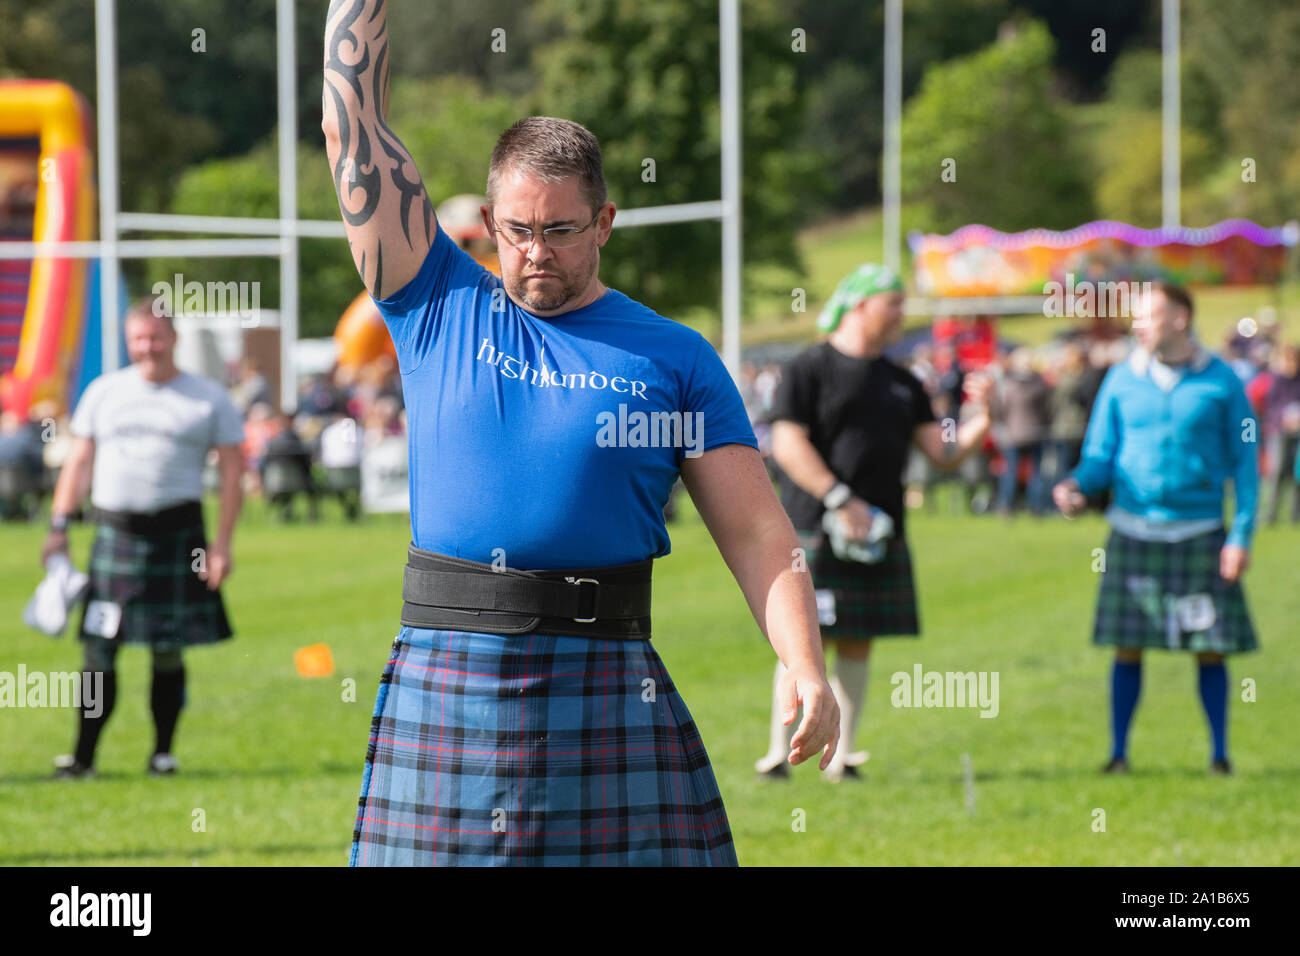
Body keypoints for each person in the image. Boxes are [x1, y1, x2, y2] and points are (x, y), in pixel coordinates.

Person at [323, 0, 838, 866]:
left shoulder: (674, 358)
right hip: (449, 671)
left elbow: (755, 528)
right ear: (489, 226)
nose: (535, 252)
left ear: (603, 224)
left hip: (605, 678)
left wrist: (803, 661)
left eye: (560, 231)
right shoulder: (433, 299)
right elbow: (353, 132)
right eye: (517, 231)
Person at [757, 264, 992, 781]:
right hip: (815, 525)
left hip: (880, 530)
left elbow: (942, 452)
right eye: (895, 304)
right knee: (804, 639)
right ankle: (780, 754)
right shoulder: (809, 368)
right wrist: (841, 498)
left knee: (859, 637)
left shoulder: (904, 380)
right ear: (861, 305)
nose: (902, 315)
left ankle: (841, 757)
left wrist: (980, 421)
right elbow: (788, 443)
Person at [1053, 282, 1258, 775]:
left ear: (1181, 319)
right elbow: (1099, 455)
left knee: (1210, 647)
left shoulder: (1223, 382)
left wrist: (1241, 535)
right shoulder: (1122, 380)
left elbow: (1247, 463)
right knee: (1129, 644)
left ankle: (1220, 756)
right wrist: (1077, 485)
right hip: (1133, 530)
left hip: (1201, 530)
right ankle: (1119, 755)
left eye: (1149, 315)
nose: (1138, 324)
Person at [39, 299, 244, 778]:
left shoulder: (208, 397)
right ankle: (83, 757)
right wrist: (58, 524)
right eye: (138, 339)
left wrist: (221, 545)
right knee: (98, 648)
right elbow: (79, 462)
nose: (147, 347)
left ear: (172, 338)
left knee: (168, 646)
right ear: (128, 341)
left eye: (155, 337)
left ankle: (163, 754)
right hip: (115, 533)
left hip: (181, 535)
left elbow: (233, 474)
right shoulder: (104, 391)